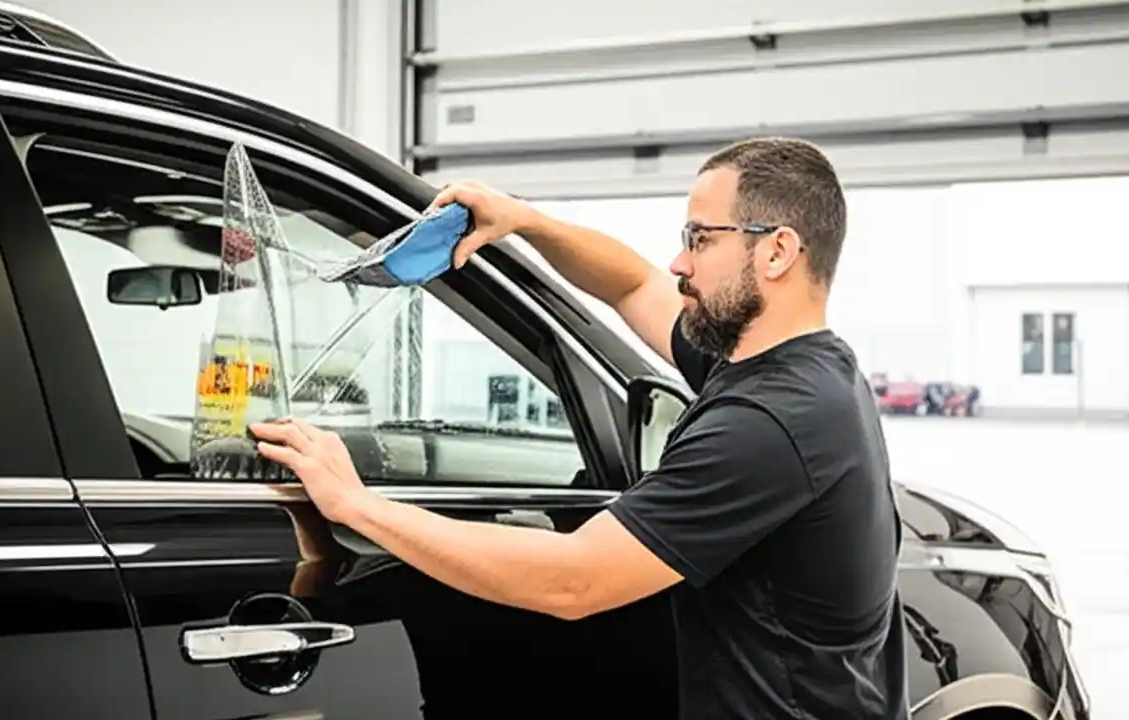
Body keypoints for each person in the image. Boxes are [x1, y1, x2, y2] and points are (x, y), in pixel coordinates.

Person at [250, 136, 909, 719]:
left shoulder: (769, 420)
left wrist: (356, 505)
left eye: (699, 239)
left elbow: (574, 581)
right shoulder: (793, 370)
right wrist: (523, 221)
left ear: (777, 253)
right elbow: (630, 286)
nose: (679, 264)